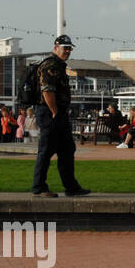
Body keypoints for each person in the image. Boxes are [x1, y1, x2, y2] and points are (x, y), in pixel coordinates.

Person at [32, 35, 90, 197]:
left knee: (66, 150)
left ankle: (71, 187)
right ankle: (39, 187)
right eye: (65, 48)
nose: (68, 51)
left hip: (57, 113)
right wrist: (55, 111)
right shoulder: (51, 65)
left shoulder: (58, 65)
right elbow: (47, 90)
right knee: (46, 150)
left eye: (69, 48)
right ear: (55, 47)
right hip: (50, 113)